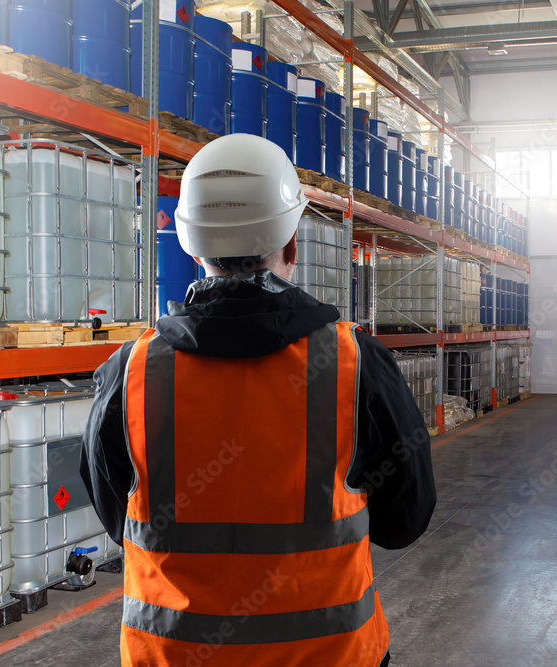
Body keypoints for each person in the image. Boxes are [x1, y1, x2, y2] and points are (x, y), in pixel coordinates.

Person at [80, 133, 436, 667]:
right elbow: (404, 520)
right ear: (292, 245)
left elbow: (118, 517)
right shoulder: (355, 363)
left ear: (192, 248)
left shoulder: (128, 373)